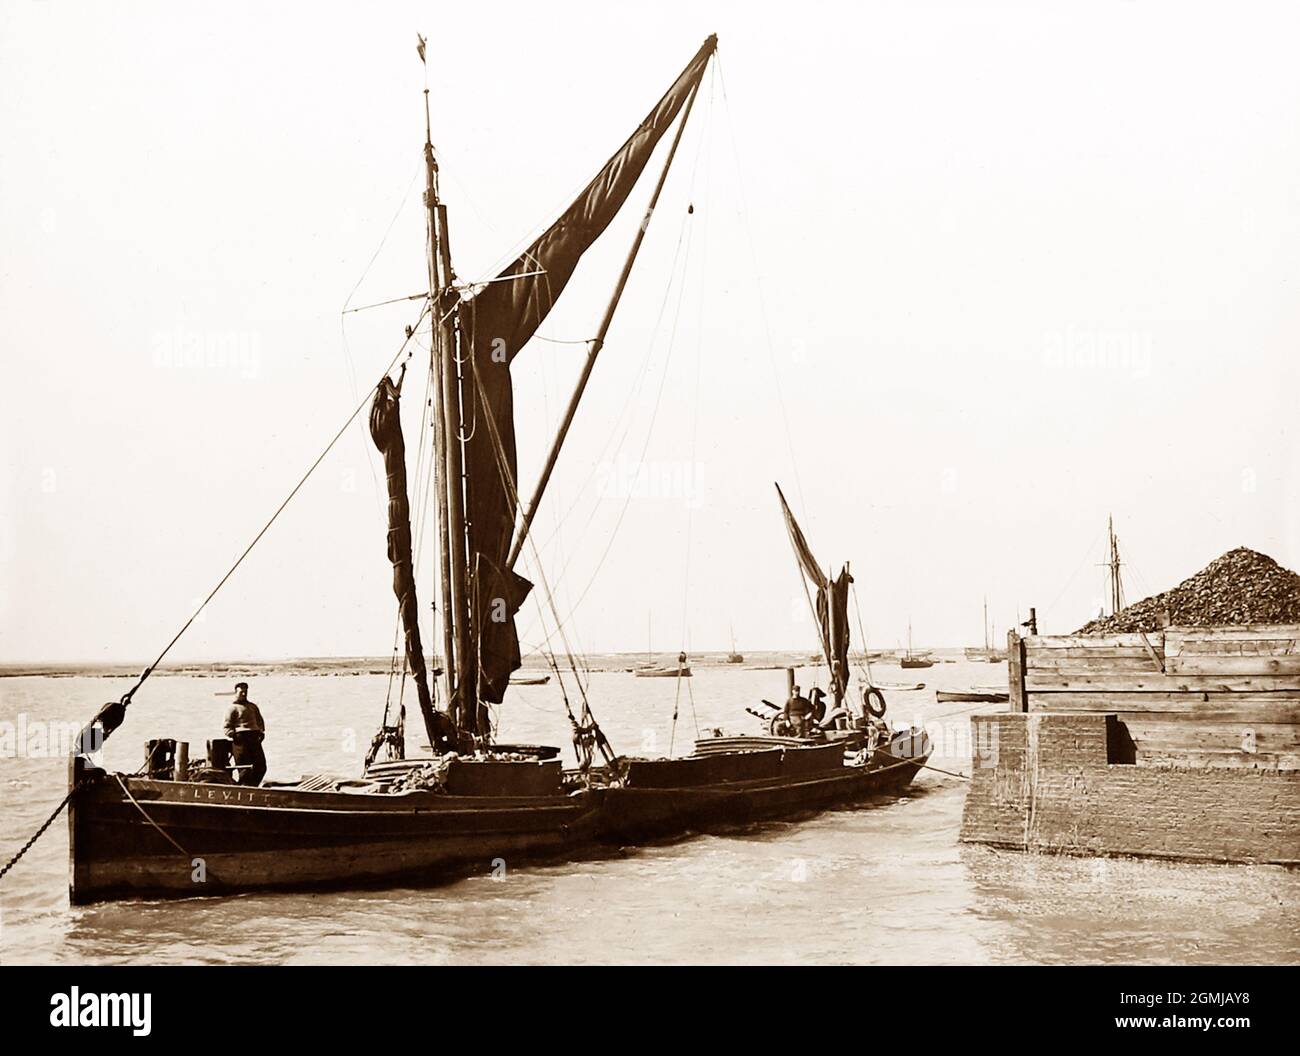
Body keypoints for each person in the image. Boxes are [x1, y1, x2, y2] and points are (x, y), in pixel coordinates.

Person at [224, 682, 267, 786]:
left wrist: (261, 733)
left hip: (254, 739)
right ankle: (244, 788)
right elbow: (227, 727)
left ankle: (253, 787)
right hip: (241, 740)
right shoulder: (232, 708)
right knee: (244, 769)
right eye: (241, 692)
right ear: (235, 693)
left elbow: (260, 721)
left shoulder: (253, 707)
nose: (243, 694)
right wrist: (235, 736)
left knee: (261, 767)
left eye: (245, 692)